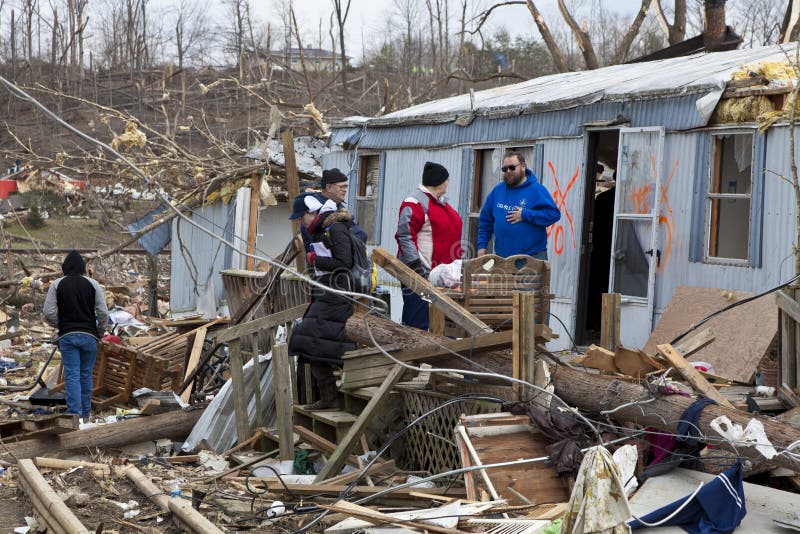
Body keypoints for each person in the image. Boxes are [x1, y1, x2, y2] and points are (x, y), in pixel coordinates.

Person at [288, 196, 356, 410]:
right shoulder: (321, 230)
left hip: (338, 292)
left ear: (311, 212)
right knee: (310, 342)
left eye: (302, 217)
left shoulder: (334, 229)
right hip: (326, 290)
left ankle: (338, 395)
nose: (301, 223)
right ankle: (330, 397)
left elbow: (345, 262)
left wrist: (314, 260)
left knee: (308, 339)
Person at [395, 162, 463, 330]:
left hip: (442, 278)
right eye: (447, 180)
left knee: (440, 324)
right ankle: (412, 355)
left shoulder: (440, 203)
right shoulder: (415, 202)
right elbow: (405, 236)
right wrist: (415, 267)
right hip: (422, 275)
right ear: (442, 182)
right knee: (419, 322)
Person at [43, 251, 109, 423]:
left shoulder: (57, 284)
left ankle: (74, 415)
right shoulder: (93, 284)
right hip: (89, 336)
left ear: (64, 267)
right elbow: (103, 312)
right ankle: (85, 415)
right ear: (83, 267)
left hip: (68, 337)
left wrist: (62, 324)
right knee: (86, 375)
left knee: (72, 375)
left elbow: (48, 312)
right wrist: (100, 333)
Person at [477, 151, 561, 259]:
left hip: (531, 259)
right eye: (504, 169)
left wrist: (525, 215)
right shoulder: (498, 191)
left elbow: (554, 214)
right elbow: (485, 219)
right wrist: (482, 246)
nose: (508, 171)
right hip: (502, 258)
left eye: (512, 168)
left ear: (523, 166)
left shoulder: (536, 190)